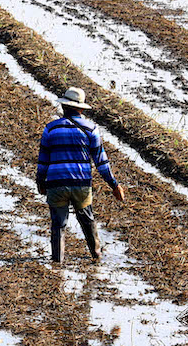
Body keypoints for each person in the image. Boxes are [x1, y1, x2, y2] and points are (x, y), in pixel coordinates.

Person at [36, 87, 126, 263]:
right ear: (81, 109)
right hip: (81, 185)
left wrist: (40, 181)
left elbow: (43, 160)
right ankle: (97, 256)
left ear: (64, 106)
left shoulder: (50, 129)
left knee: (58, 224)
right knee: (87, 220)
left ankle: (57, 261)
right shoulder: (91, 129)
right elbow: (101, 162)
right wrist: (114, 185)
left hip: (56, 184)